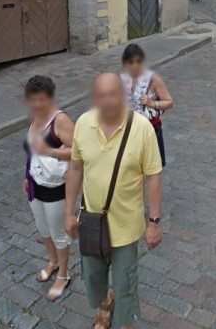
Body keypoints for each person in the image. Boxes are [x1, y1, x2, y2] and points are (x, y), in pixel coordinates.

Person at [65, 74, 163, 329]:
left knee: (124, 283)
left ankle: (125, 323)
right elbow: (75, 168)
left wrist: (153, 222)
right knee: (92, 277)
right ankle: (104, 304)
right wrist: (68, 213)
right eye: (101, 95)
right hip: (91, 221)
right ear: (94, 98)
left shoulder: (142, 128)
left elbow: (153, 176)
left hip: (126, 226)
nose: (108, 101)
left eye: (113, 94)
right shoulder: (83, 123)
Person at [22, 75, 76, 301]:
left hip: (56, 187)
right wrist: (27, 175)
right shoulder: (35, 117)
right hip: (35, 185)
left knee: (58, 233)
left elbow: (79, 152)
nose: (37, 104)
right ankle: (52, 261)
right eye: (33, 99)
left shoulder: (60, 120)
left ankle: (63, 274)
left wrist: (50, 151)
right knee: (43, 229)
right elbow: (32, 149)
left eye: (42, 99)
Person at [120, 44, 174, 166]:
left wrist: (151, 103)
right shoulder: (122, 79)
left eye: (138, 61)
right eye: (131, 62)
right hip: (129, 131)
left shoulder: (153, 79)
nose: (135, 65)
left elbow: (169, 102)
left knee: (152, 167)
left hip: (150, 129)